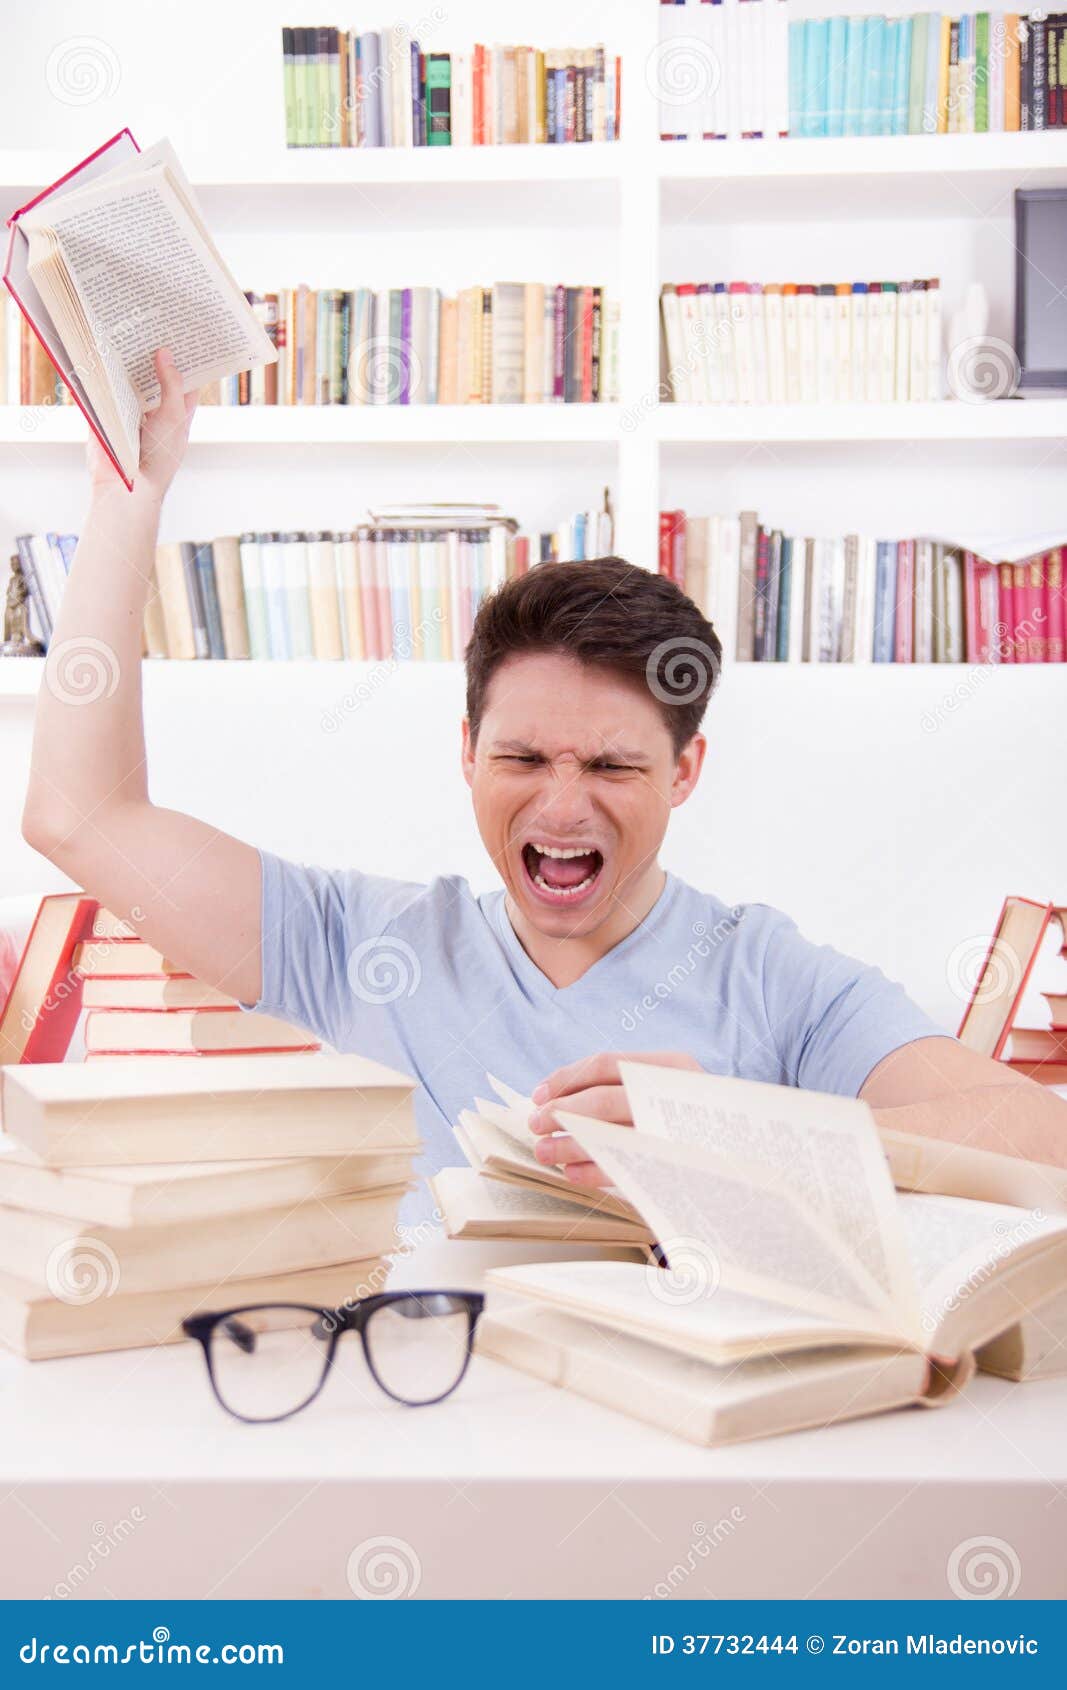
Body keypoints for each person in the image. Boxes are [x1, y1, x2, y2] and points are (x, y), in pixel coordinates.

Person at [22, 352, 1067, 1216]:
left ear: (684, 771)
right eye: (522, 759)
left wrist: (740, 1131)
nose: (562, 807)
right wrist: (128, 494)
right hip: (439, 1412)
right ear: (466, 751)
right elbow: (81, 815)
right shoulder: (358, 943)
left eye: (612, 765)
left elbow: (1039, 1141)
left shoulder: (775, 982)